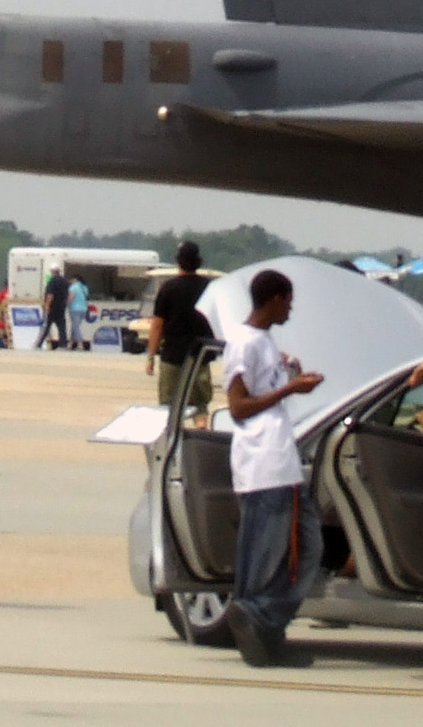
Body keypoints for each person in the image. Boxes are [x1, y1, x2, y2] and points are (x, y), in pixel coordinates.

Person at [218, 269, 323, 667]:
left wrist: (289, 378)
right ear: (275, 299)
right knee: (268, 554)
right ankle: (259, 623)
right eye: (288, 300)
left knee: (306, 549)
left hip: (282, 464)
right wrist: (287, 390)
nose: (291, 308)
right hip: (264, 465)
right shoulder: (244, 343)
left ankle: (262, 619)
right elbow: (239, 407)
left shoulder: (263, 341)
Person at [146, 242, 214, 419]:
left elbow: (157, 325)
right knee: (200, 406)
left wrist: (151, 356)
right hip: (200, 356)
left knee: (169, 406)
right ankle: (201, 436)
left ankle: (172, 441)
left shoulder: (168, 287)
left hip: (172, 356)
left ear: (178, 261)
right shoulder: (209, 287)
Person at [66, 274, 90, 351]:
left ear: (75, 279)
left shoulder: (73, 287)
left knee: (76, 327)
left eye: (71, 279)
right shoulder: (84, 287)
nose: (70, 281)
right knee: (75, 326)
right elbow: (86, 296)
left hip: (74, 309)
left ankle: (80, 344)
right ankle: (70, 344)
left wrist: (66, 304)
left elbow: (70, 298)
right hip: (83, 309)